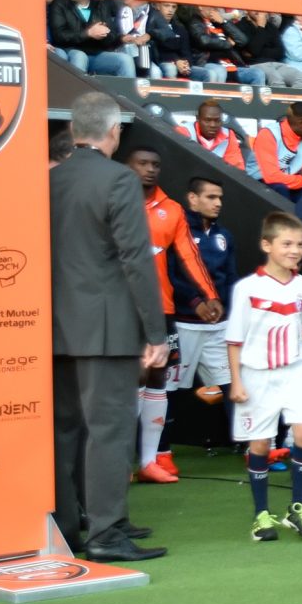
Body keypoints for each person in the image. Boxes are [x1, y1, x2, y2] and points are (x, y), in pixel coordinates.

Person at [50, 93, 170, 562]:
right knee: (109, 431)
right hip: (108, 327)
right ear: (113, 132)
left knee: (66, 432)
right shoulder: (119, 180)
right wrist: (156, 334)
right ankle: (105, 532)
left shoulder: (51, 181)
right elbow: (136, 261)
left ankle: (70, 524)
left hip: (56, 325)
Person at [227, 211, 302, 542]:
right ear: (266, 245)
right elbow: (234, 340)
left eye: (299, 244)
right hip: (257, 375)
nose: (294, 250)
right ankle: (261, 515)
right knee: (259, 444)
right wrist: (237, 382)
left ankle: (297, 508)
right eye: (286, 244)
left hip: (295, 372)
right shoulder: (248, 288)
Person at [129, 144, 222, 484]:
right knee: (128, 383)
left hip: (161, 308)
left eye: (155, 163)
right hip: (122, 308)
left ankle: (149, 461)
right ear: (129, 165)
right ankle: (121, 462)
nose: (149, 169)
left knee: (158, 380)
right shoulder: (117, 199)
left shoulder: (172, 209)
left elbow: (187, 256)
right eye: (142, 162)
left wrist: (209, 294)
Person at [166, 175, 239, 439]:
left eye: (220, 198)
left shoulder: (224, 236)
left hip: (218, 325)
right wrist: (195, 302)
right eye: (211, 197)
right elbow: (170, 274)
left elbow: (231, 278)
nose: (217, 203)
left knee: (233, 383)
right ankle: (160, 451)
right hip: (184, 323)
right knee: (167, 388)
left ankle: (246, 446)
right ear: (193, 199)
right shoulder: (177, 230)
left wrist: (223, 307)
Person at [252, 100, 302, 197]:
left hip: (290, 182)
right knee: (280, 188)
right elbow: (271, 177)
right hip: (258, 182)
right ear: (301, 123)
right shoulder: (269, 134)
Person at [181, 99, 261, 179]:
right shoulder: (184, 132)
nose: (213, 125)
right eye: (208, 120)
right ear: (198, 119)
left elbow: (236, 171)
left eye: (217, 120)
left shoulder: (228, 135)